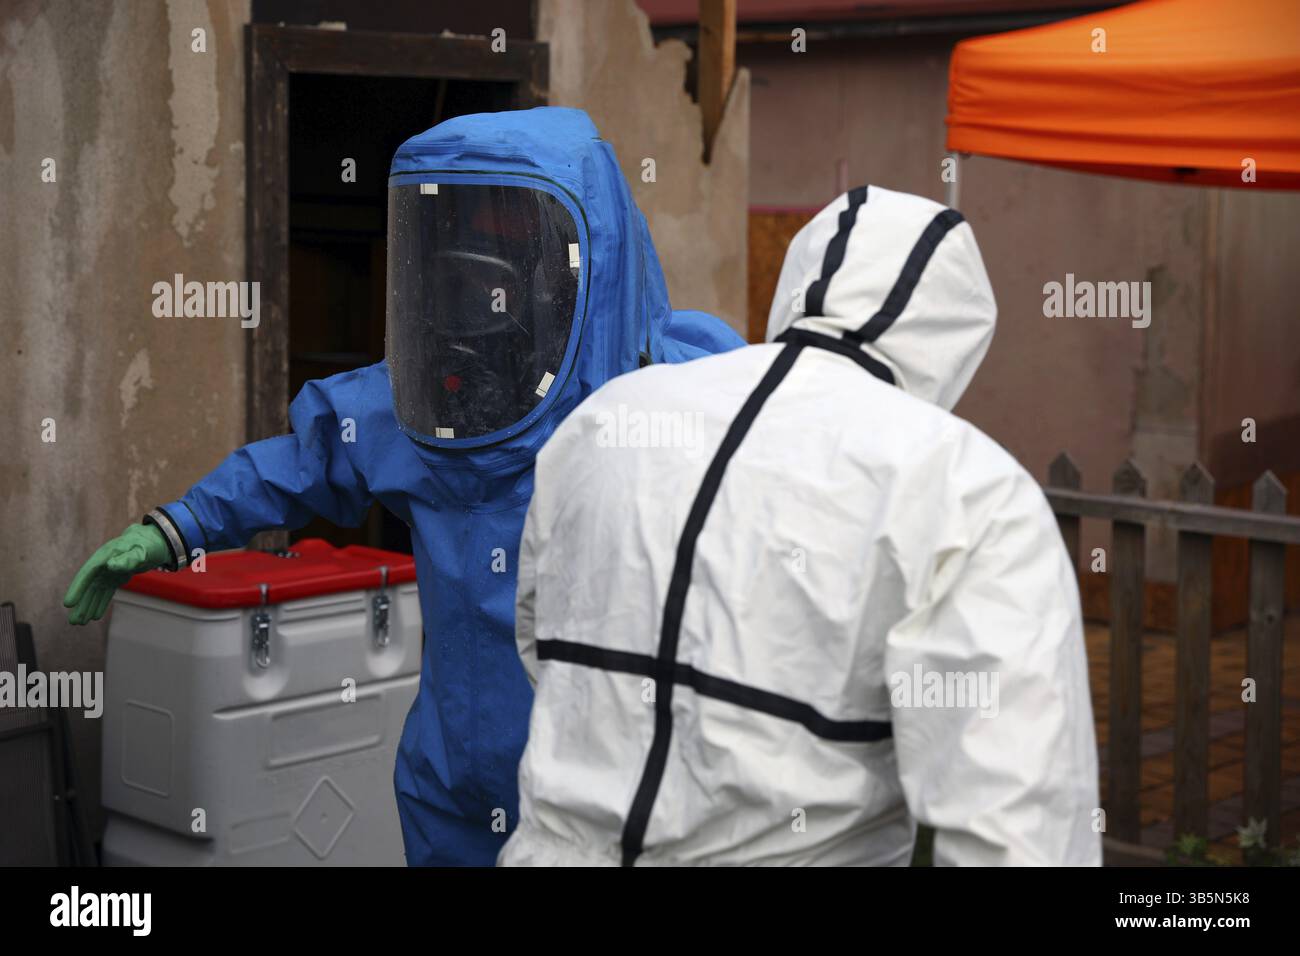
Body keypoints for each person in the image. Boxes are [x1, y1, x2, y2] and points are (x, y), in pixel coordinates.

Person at [62, 107, 744, 866]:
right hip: (449, 777)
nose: (484, 288)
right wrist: (177, 525)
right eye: (463, 251)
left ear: (588, 255)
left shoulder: (667, 394)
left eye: (509, 250)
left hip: (598, 790)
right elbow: (301, 463)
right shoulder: (424, 409)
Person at [500, 185, 1101, 866]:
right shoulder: (969, 487)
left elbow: (541, 646)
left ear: (795, 284)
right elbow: (1017, 826)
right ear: (959, 335)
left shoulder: (609, 419)